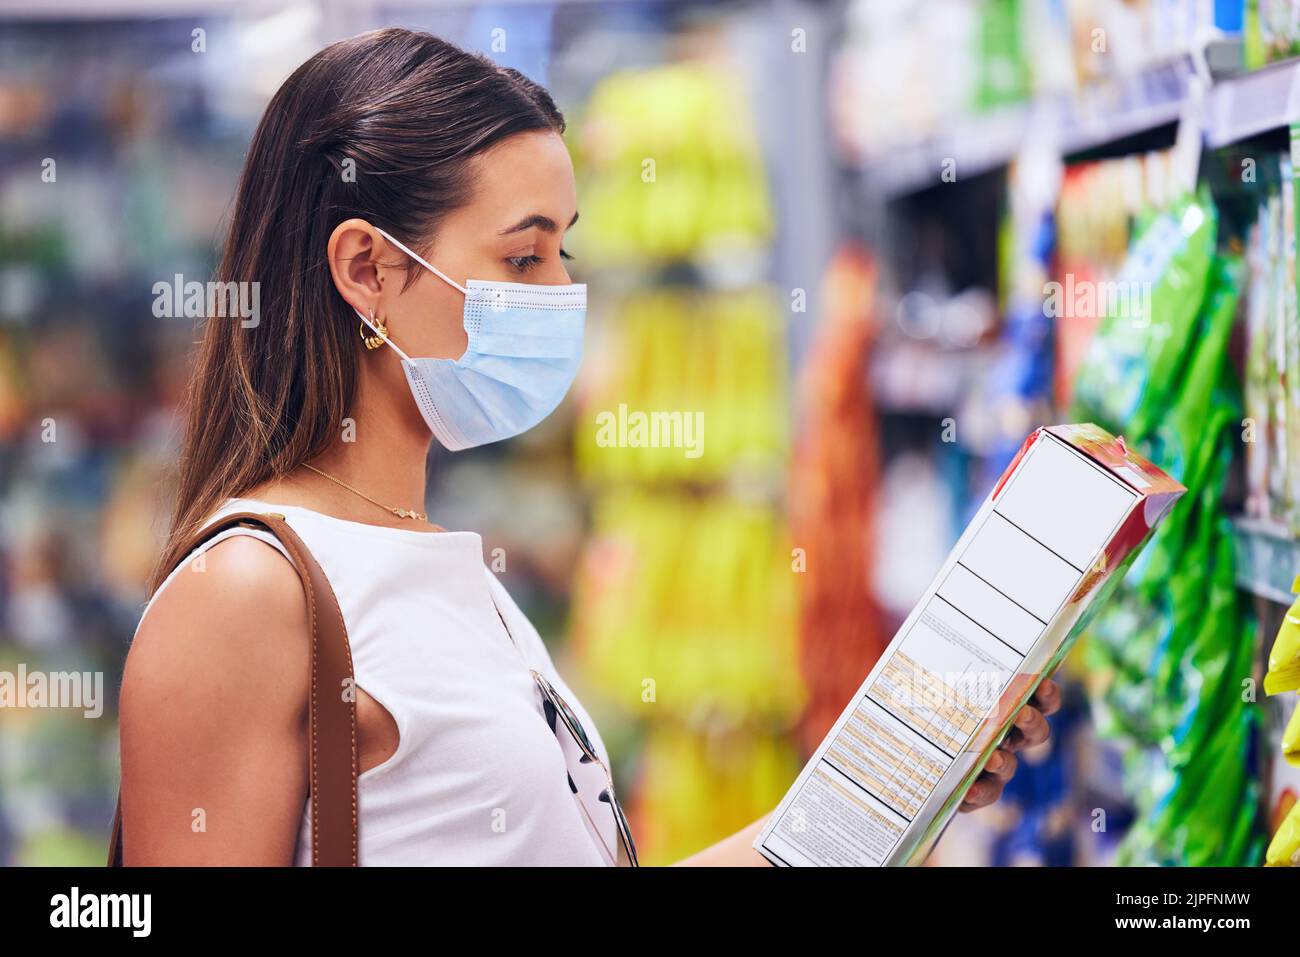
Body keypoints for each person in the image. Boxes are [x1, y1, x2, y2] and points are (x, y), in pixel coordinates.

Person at [117, 26, 1059, 867]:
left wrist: (892, 783)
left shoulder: (451, 573)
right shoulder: (246, 596)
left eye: (565, 249)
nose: (564, 290)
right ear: (368, 269)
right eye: (523, 256)